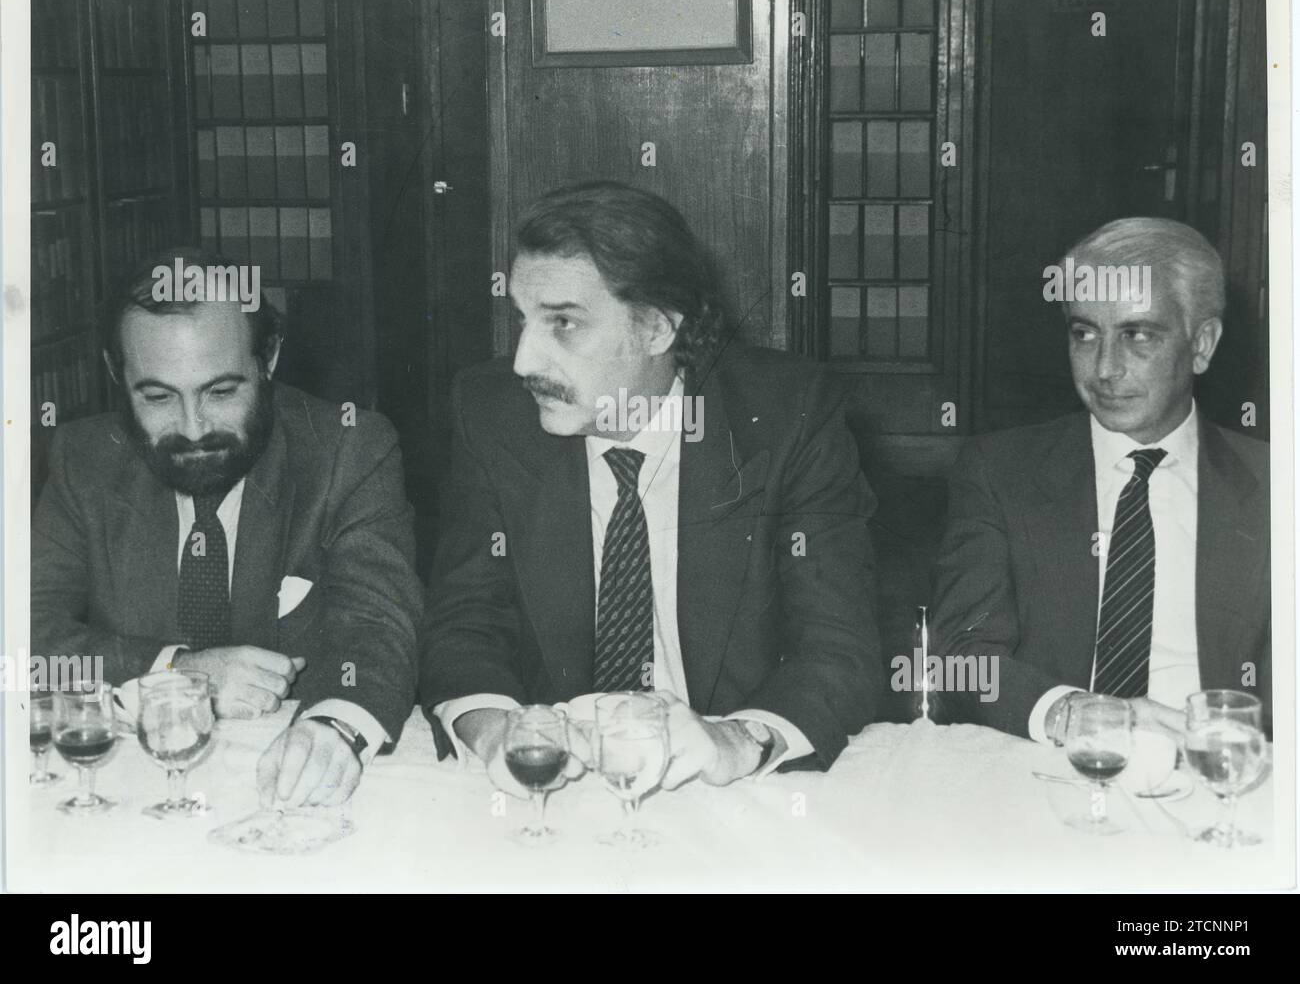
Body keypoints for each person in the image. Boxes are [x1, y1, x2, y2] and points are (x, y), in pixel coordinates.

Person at [419, 181, 882, 796]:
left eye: (563, 323)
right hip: (562, 790)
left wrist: (740, 740)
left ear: (658, 329)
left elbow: (840, 647)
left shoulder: (787, 414)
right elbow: (463, 621)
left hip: (733, 790)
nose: (524, 362)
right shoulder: (490, 413)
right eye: (523, 320)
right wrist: (494, 729)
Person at [31, 248, 421, 806]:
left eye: (220, 391)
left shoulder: (349, 449)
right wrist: (175, 673)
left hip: (291, 780)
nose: (193, 429)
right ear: (117, 373)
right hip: (142, 787)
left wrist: (336, 725)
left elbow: (379, 625)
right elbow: (24, 636)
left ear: (269, 359)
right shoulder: (83, 458)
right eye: (159, 396)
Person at [930, 217, 1270, 741]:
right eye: (1085, 333)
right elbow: (958, 656)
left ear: (1202, 344)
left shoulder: (1275, 487)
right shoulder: (1001, 471)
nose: (1105, 368)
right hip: (1050, 766)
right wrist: (1071, 714)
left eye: (1138, 335)